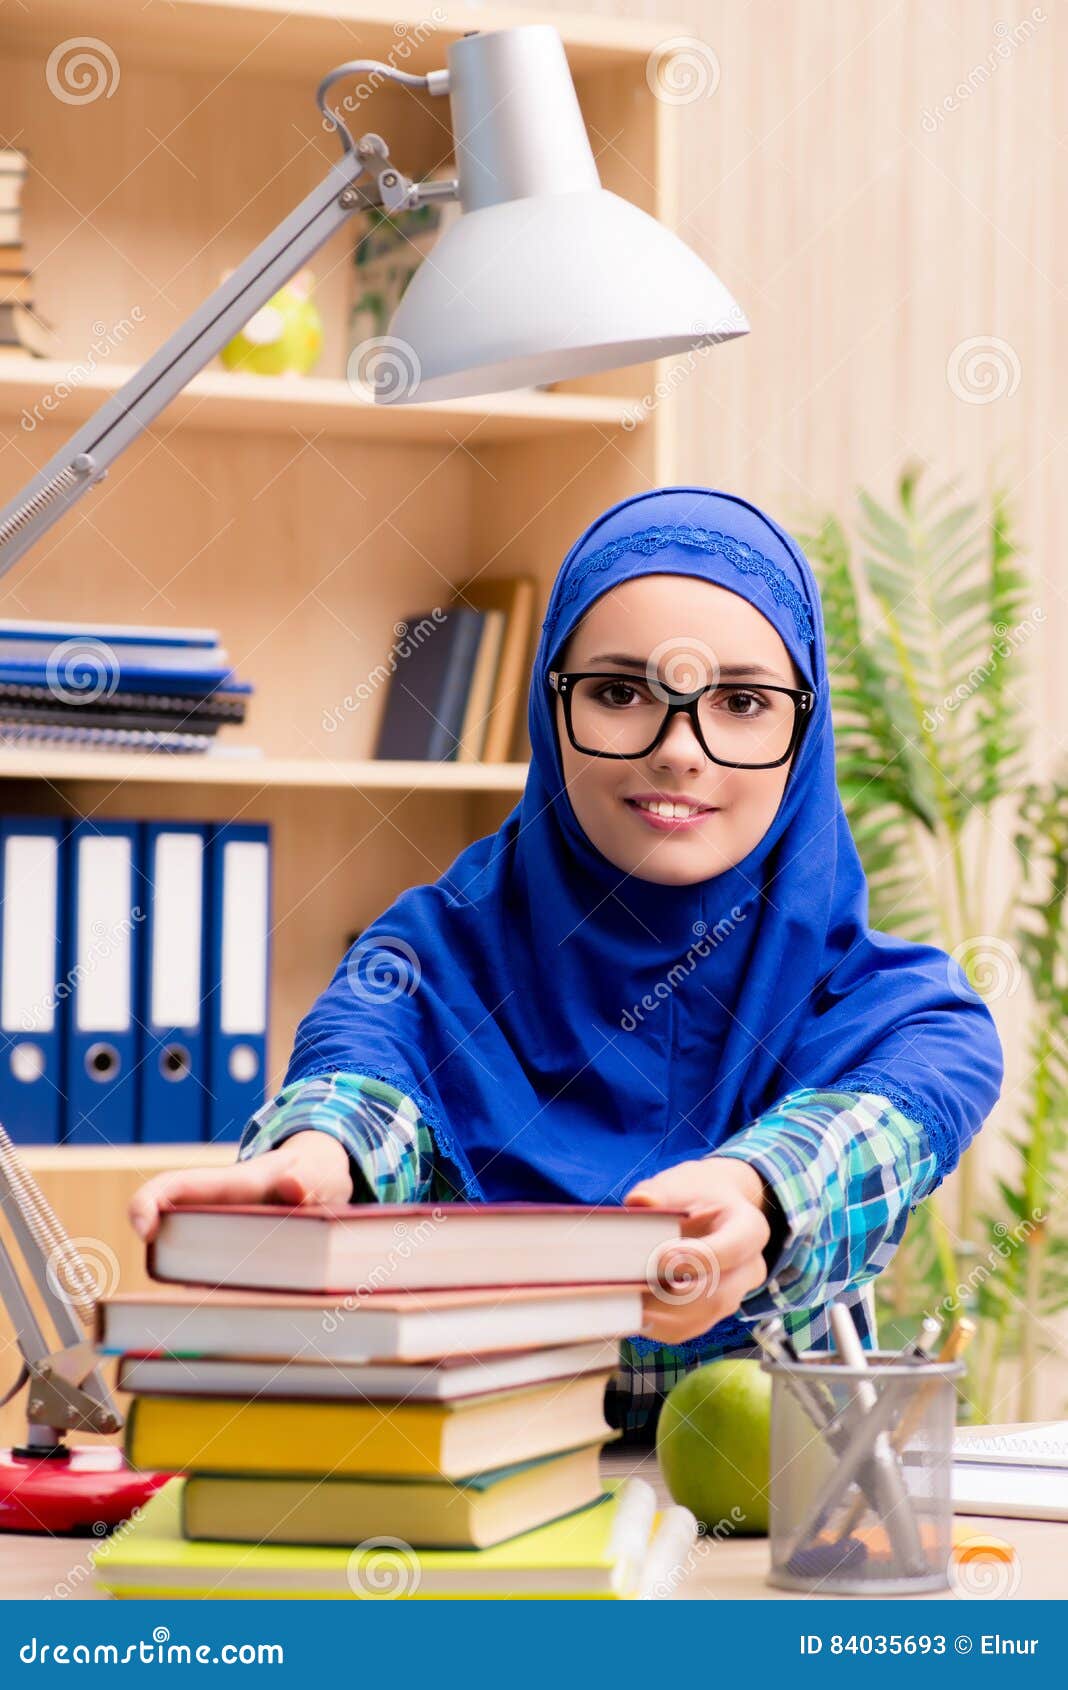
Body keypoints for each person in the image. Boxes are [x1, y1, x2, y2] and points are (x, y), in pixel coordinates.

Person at [129, 486, 1003, 1442]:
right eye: (621, 693)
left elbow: (865, 1128)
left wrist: (753, 1193)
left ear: (807, 729)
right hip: (461, 1530)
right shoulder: (426, 953)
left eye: (743, 703)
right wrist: (310, 1167)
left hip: (777, 1545)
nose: (679, 752)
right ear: (551, 706)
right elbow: (362, 1080)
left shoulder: (905, 1012)